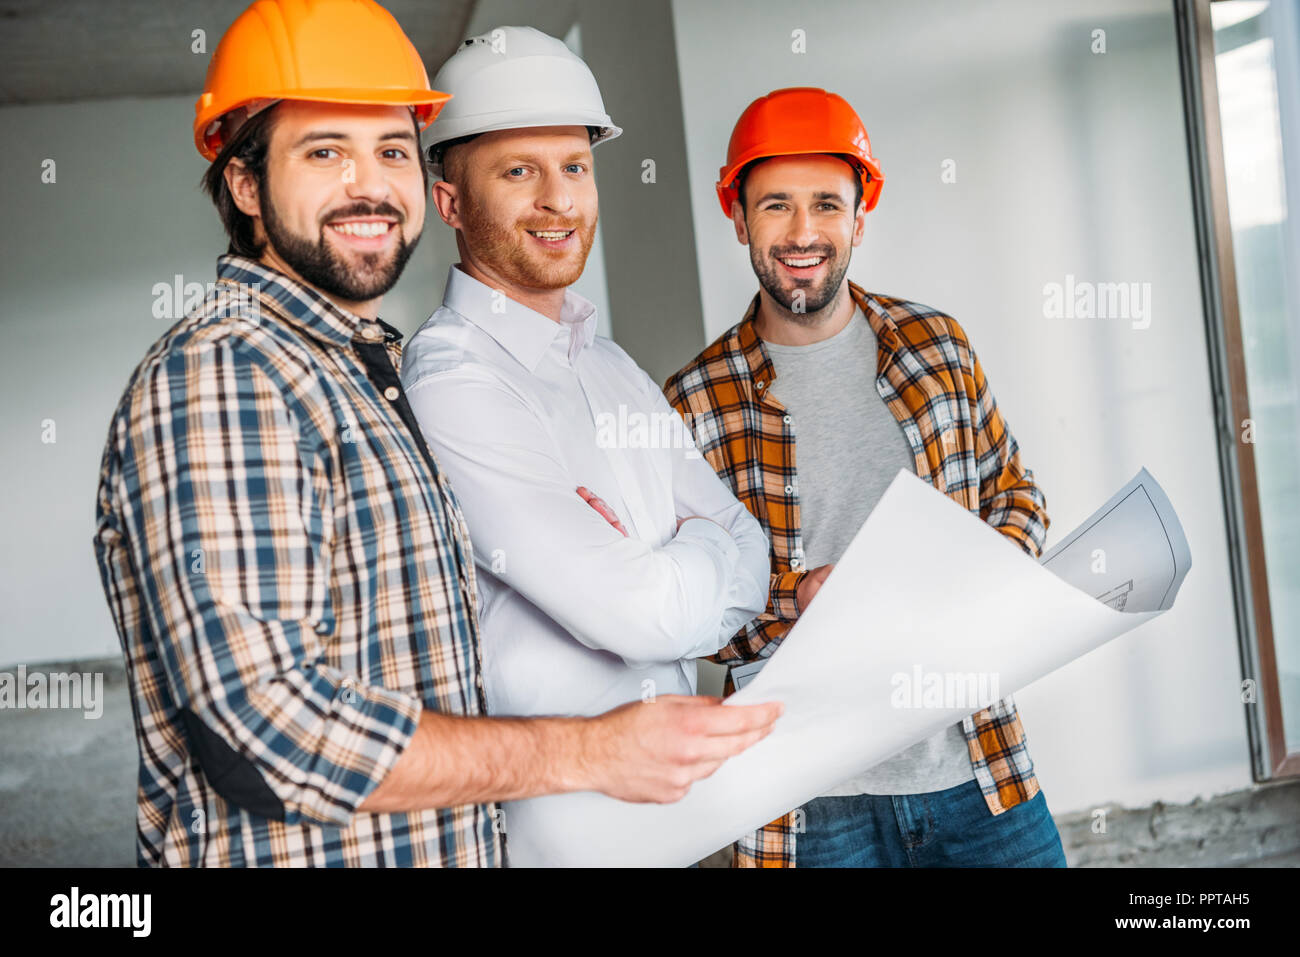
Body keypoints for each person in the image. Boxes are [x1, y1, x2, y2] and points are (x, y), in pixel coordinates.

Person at [92, 0, 780, 868]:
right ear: (243, 183)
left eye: (389, 149)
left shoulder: (355, 372)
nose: (369, 185)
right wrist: (589, 747)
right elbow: (267, 730)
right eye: (324, 151)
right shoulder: (226, 373)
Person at [664, 87, 1066, 868]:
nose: (803, 232)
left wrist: (981, 571)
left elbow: (1016, 495)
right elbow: (688, 607)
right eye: (776, 204)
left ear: (859, 214)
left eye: (826, 204)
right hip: (808, 806)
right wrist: (797, 598)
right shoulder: (691, 403)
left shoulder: (937, 347)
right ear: (739, 217)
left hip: (975, 769)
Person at [400, 26, 773, 866]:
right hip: (565, 840)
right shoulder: (453, 380)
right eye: (518, 171)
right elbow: (646, 609)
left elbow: (750, 546)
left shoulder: (608, 365)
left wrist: (675, 562)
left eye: (574, 166)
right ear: (451, 201)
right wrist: (682, 556)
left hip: (677, 823)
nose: (559, 201)